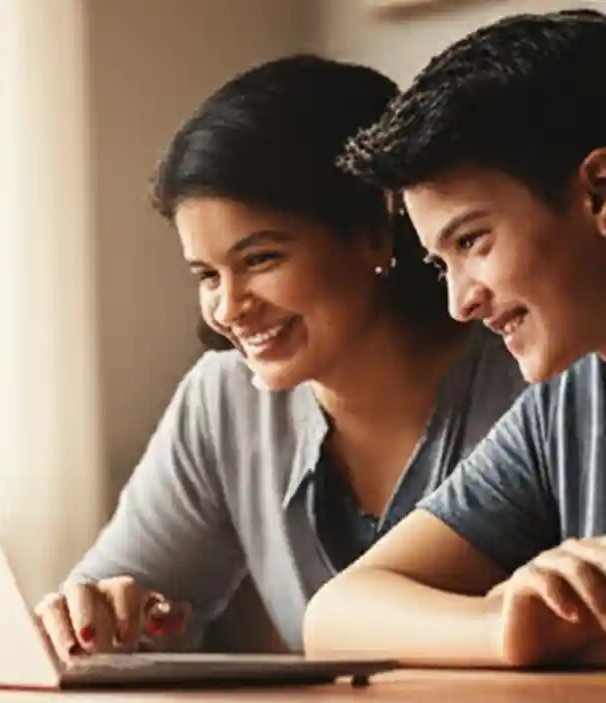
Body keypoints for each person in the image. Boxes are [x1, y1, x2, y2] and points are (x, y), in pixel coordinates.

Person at [32, 55, 526, 660]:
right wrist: (95, 616)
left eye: (261, 259)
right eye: (207, 275)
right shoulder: (227, 398)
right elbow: (117, 606)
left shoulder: (532, 377)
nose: (230, 308)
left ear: (375, 230)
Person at [303, 10, 606, 667]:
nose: (460, 302)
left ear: (600, 192)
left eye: (472, 241)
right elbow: (337, 613)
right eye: (443, 263)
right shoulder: (567, 402)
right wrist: (507, 628)